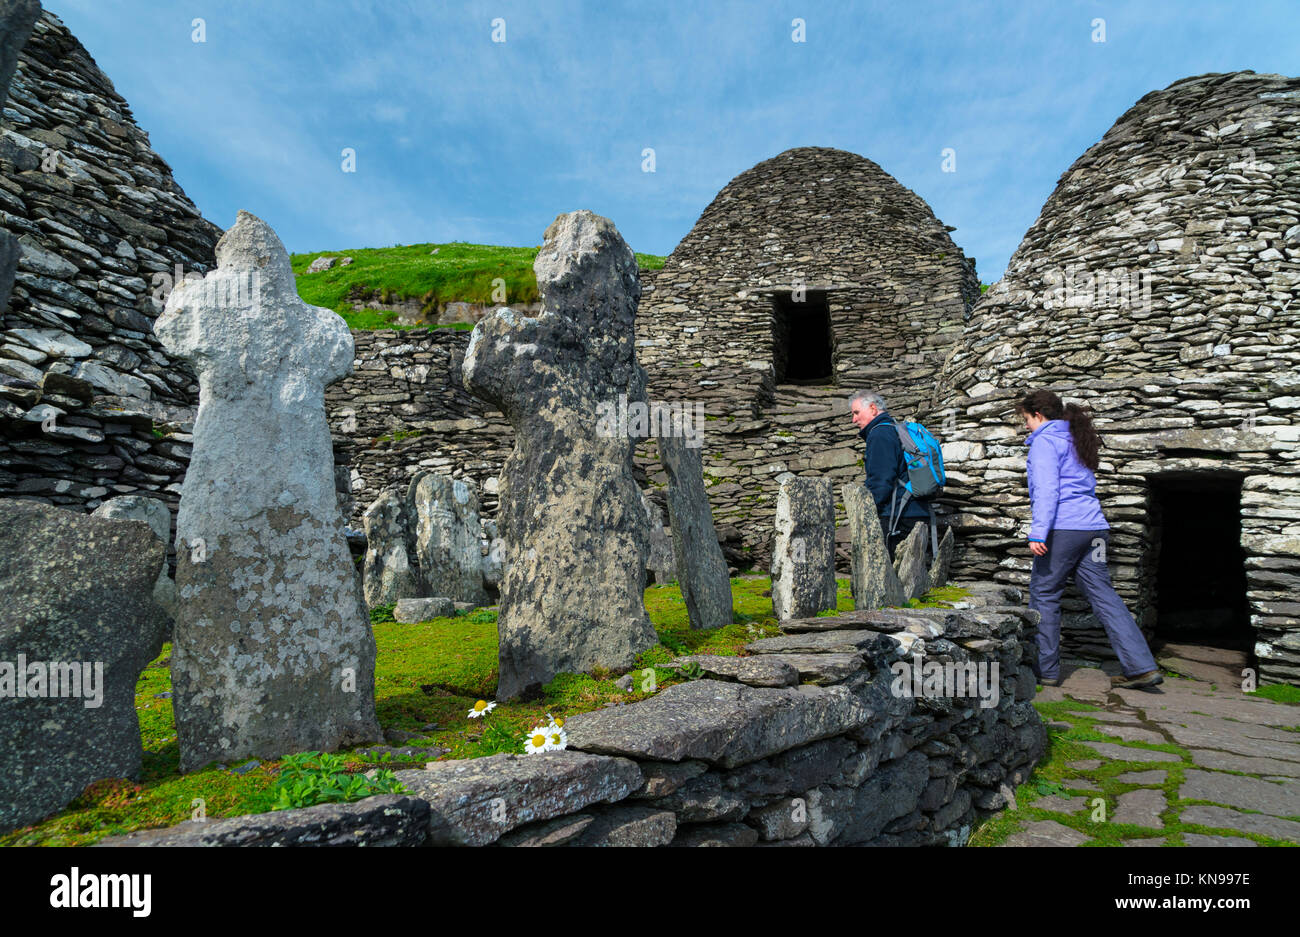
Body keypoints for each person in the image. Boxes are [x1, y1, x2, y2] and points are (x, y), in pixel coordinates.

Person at [1016, 389, 1162, 690]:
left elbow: (1047, 491)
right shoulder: (1077, 438)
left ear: (1038, 415)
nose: (1026, 426)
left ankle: (1046, 672)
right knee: (1105, 597)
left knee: (1045, 595)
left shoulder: (1045, 442)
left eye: (1027, 420)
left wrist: (1038, 532)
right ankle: (1141, 667)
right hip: (1095, 529)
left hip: (1063, 530)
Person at [849, 390, 930, 559]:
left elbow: (881, 481)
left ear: (872, 408)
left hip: (897, 516)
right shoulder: (894, 428)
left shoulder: (879, 434)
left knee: (892, 576)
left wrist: (866, 511)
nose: (853, 420)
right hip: (915, 510)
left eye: (856, 413)